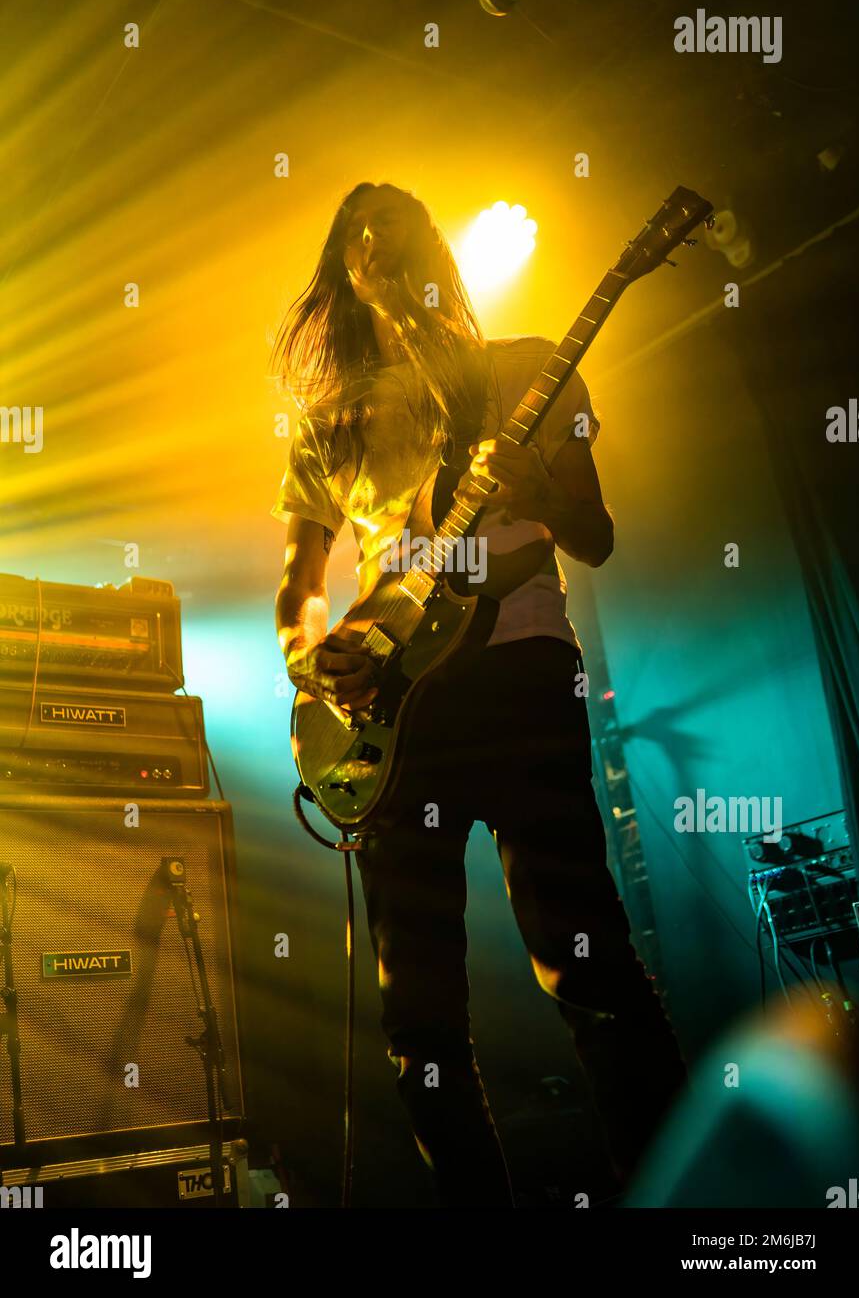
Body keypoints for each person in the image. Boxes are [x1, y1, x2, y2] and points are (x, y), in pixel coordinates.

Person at [271, 181, 686, 1207]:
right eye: (360, 240)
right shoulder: (329, 423)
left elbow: (591, 535)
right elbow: (298, 577)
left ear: (434, 255)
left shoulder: (527, 367)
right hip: (395, 712)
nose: (380, 248)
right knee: (416, 1013)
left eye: (400, 233)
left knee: (582, 959)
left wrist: (533, 487)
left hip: (517, 670)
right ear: (341, 272)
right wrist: (306, 652)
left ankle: (686, 1207)